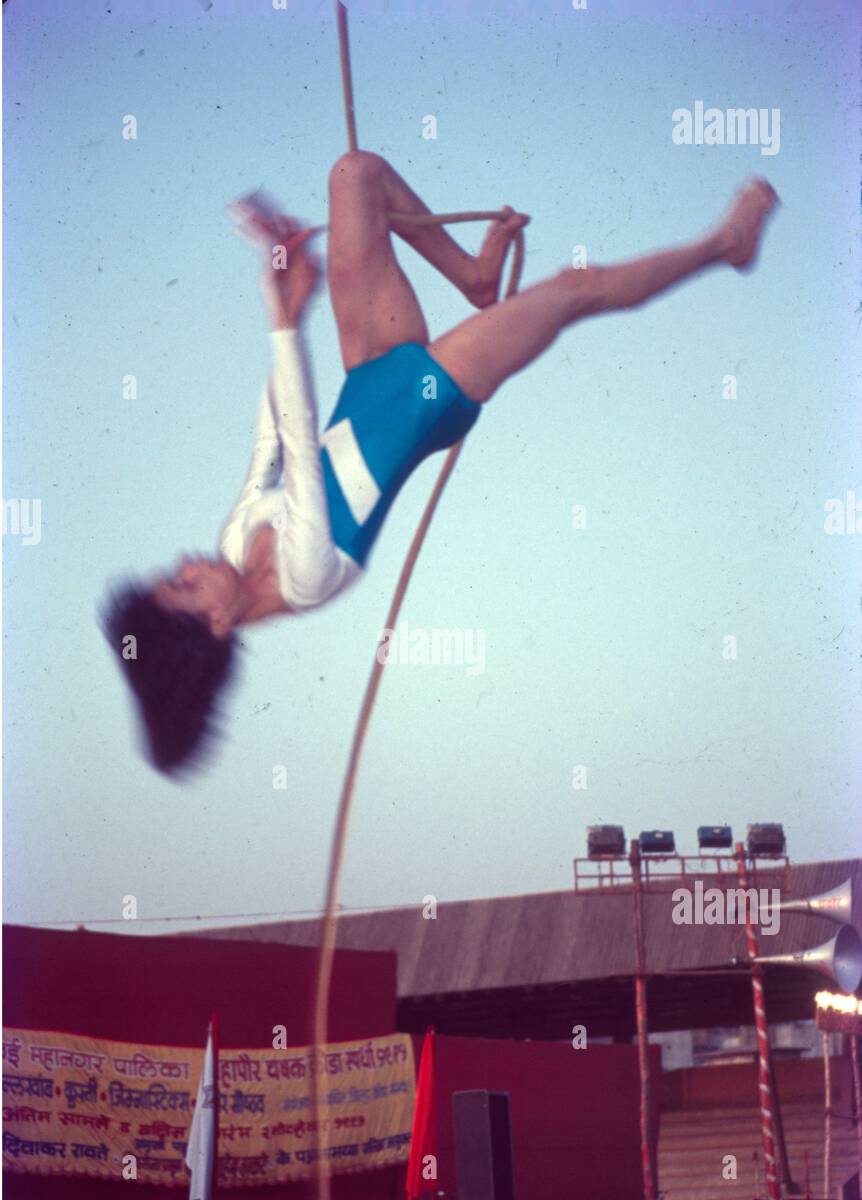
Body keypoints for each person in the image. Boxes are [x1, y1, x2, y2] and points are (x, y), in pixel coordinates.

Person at [103, 152, 778, 774]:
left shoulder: (233, 542)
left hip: (370, 375)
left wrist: (289, 304)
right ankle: (727, 245)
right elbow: (303, 451)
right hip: (435, 395)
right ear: (218, 625)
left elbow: (272, 439)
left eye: (173, 575)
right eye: (186, 588)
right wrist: (281, 318)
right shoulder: (304, 578)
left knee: (355, 176)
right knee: (577, 288)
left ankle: (473, 276)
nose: (188, 565)